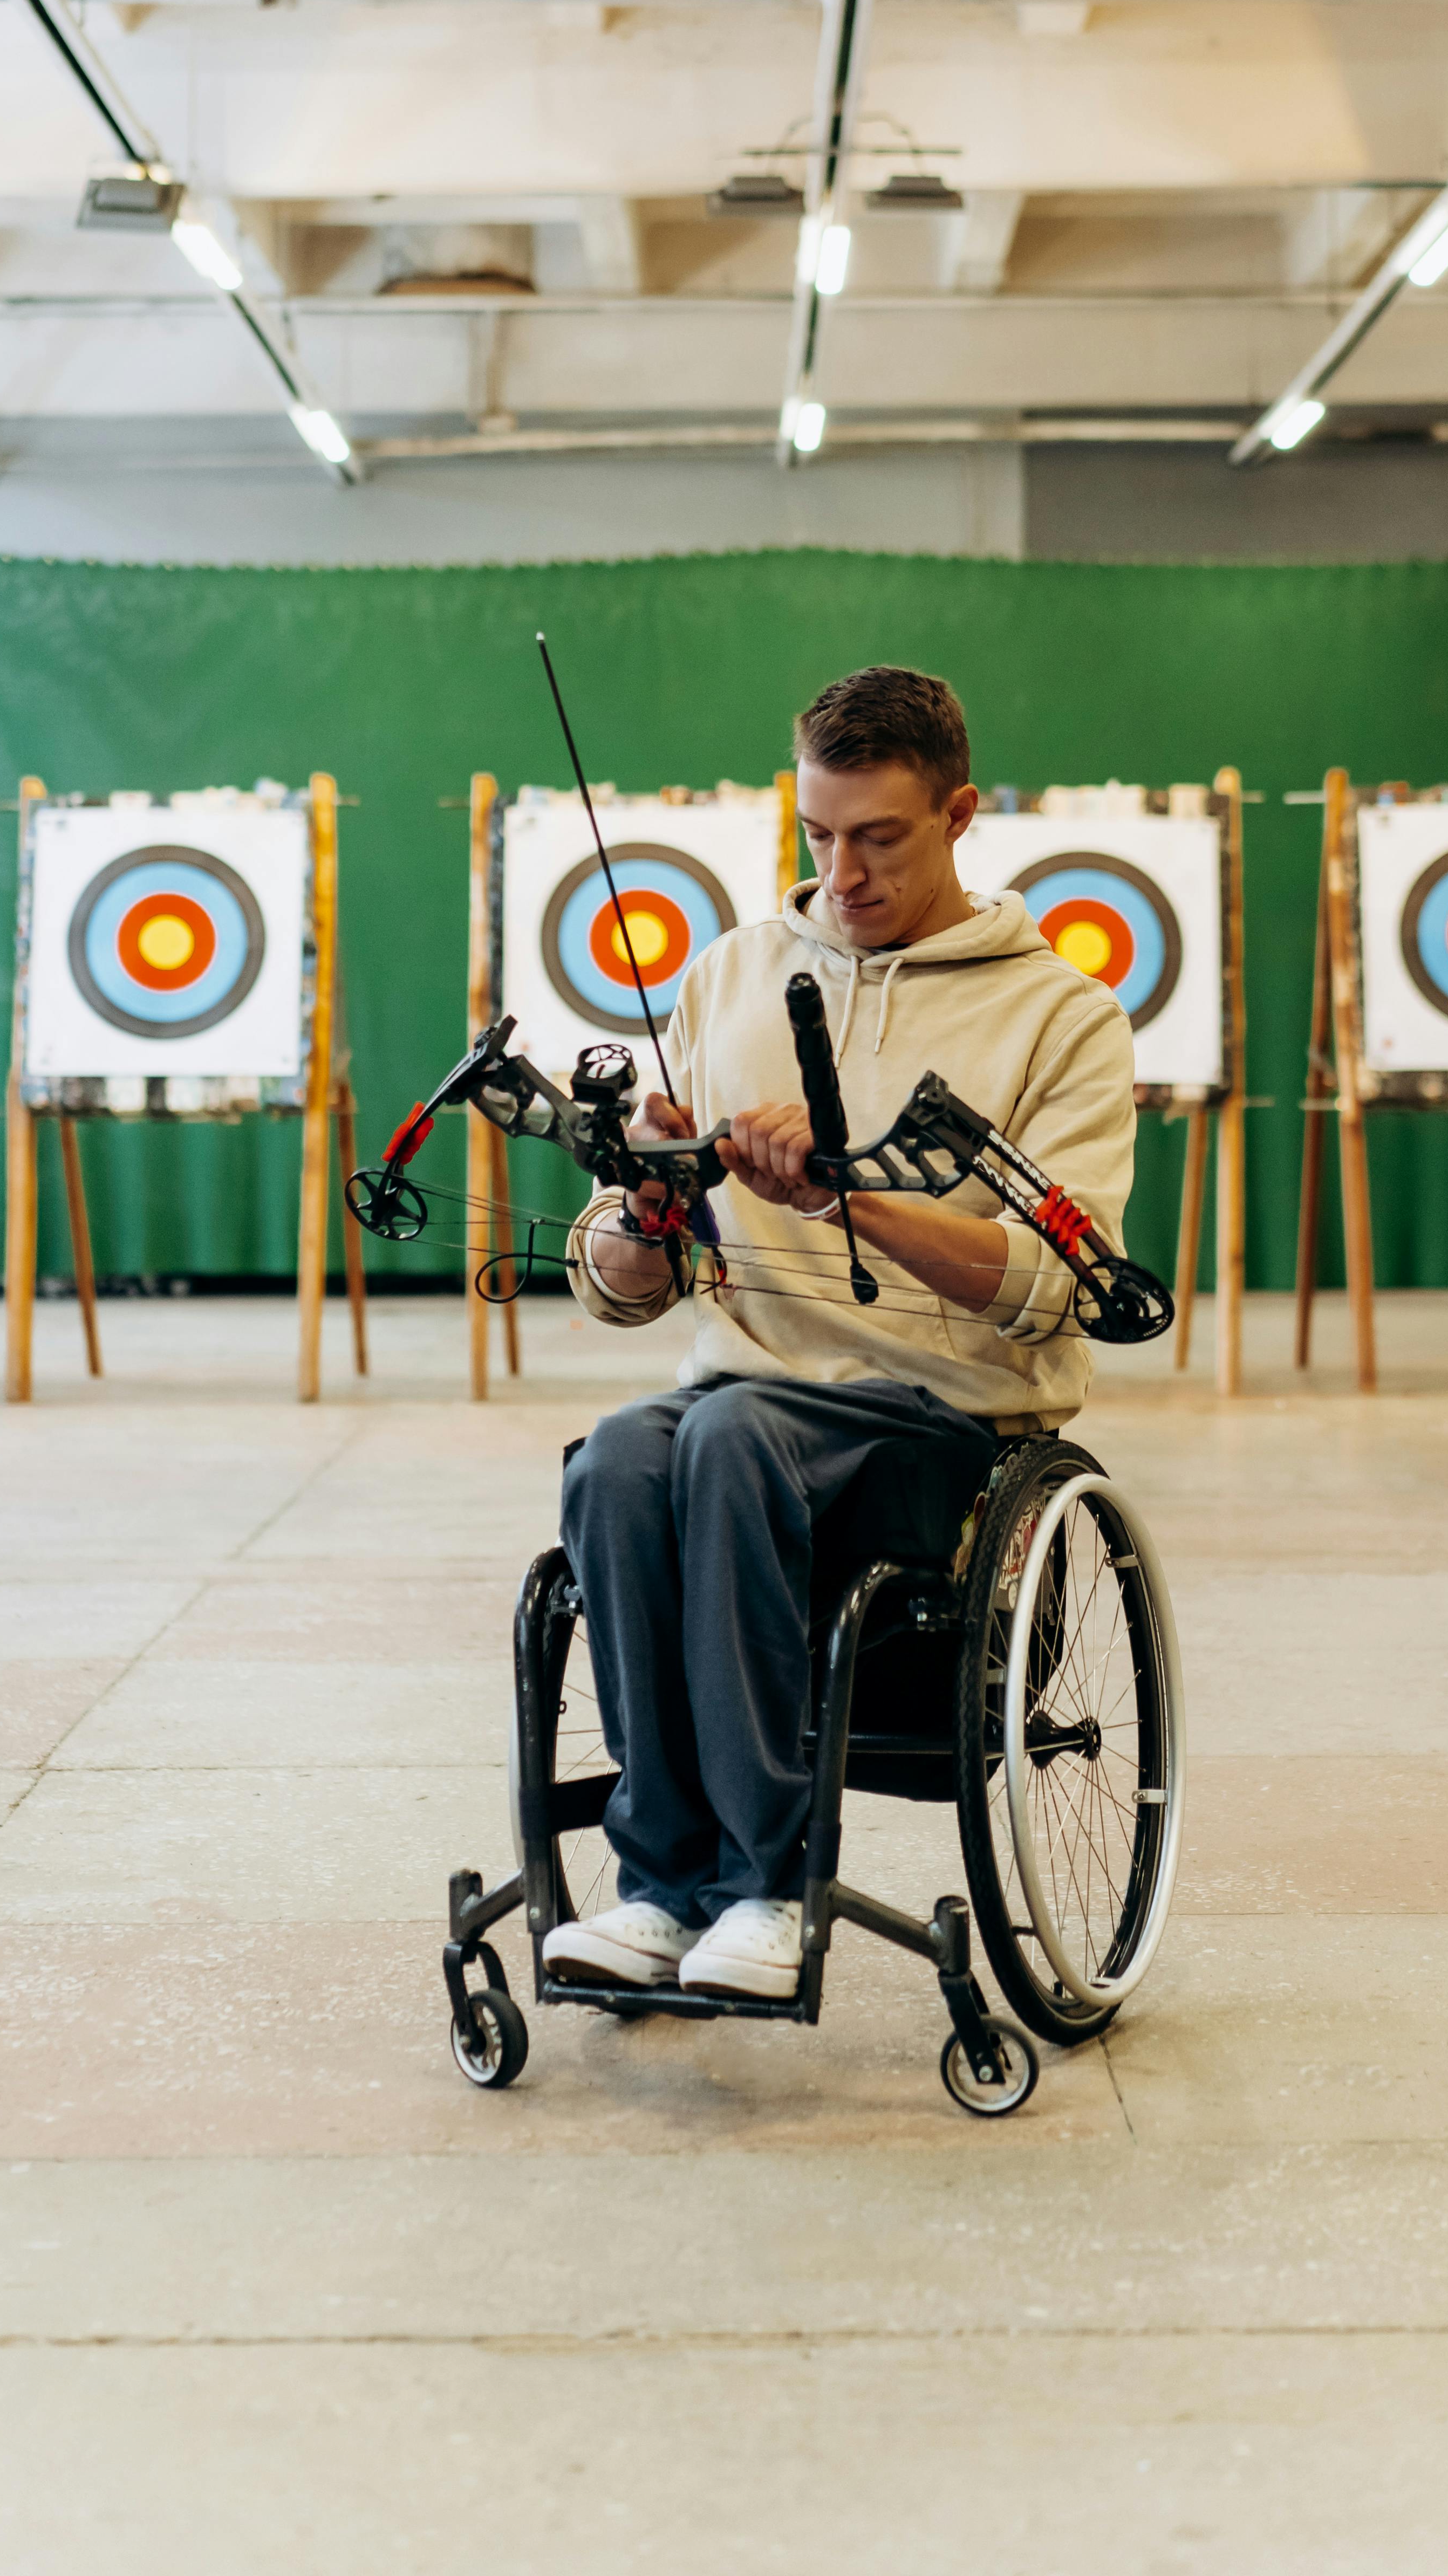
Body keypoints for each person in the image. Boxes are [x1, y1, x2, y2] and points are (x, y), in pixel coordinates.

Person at [548, 664, 1137, 2001]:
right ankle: (657, 1889)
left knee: (731, 1441)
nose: (845, 871)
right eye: (819, 835)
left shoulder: (1060, 1017)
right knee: (620, 1459)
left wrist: (846, 1197)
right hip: (735, 1419)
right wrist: (645, 1217)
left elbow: (1062, 1278)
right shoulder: (731, 976)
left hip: (950, 1437)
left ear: (959, 814)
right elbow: (611, 1282)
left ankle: (761, 1885)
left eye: (880, 836)